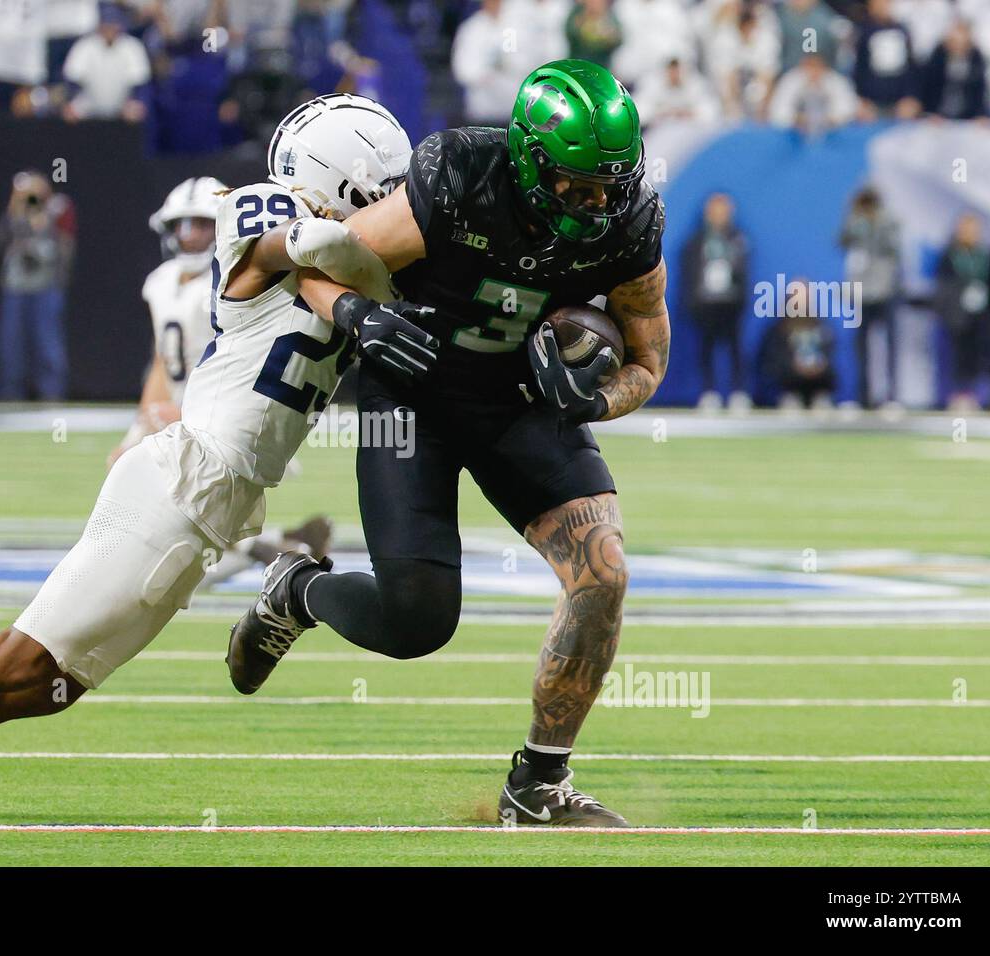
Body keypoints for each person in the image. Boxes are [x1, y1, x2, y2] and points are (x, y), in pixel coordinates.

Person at [0, 93, 426, 819]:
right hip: (182, 481)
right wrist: (374, 295)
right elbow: (308, 248)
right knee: (21, 659)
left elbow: (347, 269)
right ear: (352, 173)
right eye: (392, 184)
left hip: (214, 503)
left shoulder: (356, 258)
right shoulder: (270, 210)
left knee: (45, 687)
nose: (399, 201)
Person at [228, 60, 670, 827]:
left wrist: (596, 398)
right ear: (530, 160)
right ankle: (297, 590)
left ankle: (538, 787)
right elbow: (308, 260)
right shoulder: (463, 174)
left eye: (611, 182)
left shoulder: (631, 225)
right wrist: (355, 316)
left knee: (603, 573)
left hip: (523, 401)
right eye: (578, 184)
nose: (599, 202)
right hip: (415, 394)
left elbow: (650, 360)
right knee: (417, 623)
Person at [109, 174, 334, 574]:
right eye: (182, 225)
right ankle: (283, 549)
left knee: (180, 557)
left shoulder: (230, 287)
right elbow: (163, 357)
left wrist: (184, 417)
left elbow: (241, 360)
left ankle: (279, 556)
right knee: (161, 522)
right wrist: (143, 422)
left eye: (200, 224)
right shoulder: (159, 283)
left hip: (218, 413)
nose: (189, 235)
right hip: (180, 417)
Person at [0, 171, 76, 401]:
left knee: (48, 343)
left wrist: (43, 220)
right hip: (16, 287)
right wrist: (15, 209)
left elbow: (65, 247)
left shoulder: (56, 209)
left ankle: (52, 393)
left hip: (46, 286)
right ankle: (10, 394)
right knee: (11, 343)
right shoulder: (15, 214)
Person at [682, 192, 749, 411]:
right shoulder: (697, 240)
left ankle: (738, 392)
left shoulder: (737, 238)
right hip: (705, 302)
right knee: (706, 348)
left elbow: (744, 270)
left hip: (731, 301)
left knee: (735, 348)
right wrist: (692, 301)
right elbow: (689, 271)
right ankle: (708, 392)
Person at [838, 186, 901, 408]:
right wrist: (854, 217)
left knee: (889, 347)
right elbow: (841, 241)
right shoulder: (854, 221)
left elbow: (893, 248)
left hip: (884, 291)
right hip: (861, 294)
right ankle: (862, 397)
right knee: (860, 348)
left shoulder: (889, 222)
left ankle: (891, 396)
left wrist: (874, 224)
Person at [934, 212, 990, 411]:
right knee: (955, 357)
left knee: (977, 356)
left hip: (979, 317)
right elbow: (943, 287)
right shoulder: (950, 254)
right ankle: (954, 396)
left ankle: (976, 396)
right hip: (956, 316)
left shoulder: (984, 255)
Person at [759, 278, 837, 410]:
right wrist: (793, 367)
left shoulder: (822, 327)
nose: (801, 302)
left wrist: (820, 367)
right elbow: (771, 362)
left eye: (805, 298)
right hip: (788, 389)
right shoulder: (778, 329)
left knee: (823, 405)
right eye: (797, 297)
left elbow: (830, 358)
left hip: (818, 388)